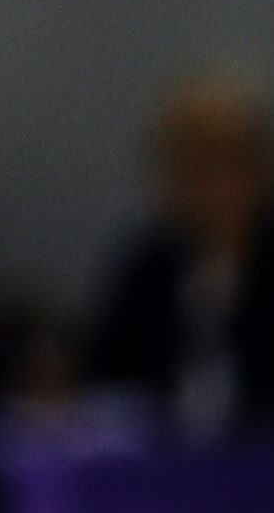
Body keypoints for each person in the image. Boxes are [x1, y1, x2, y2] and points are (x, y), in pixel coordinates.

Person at [82, 72, 274, 440]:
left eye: (224, 162)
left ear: (258, 167)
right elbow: (106, 381)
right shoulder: (149, 264)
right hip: (164, 473)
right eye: (189, 169)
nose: (208, 187)